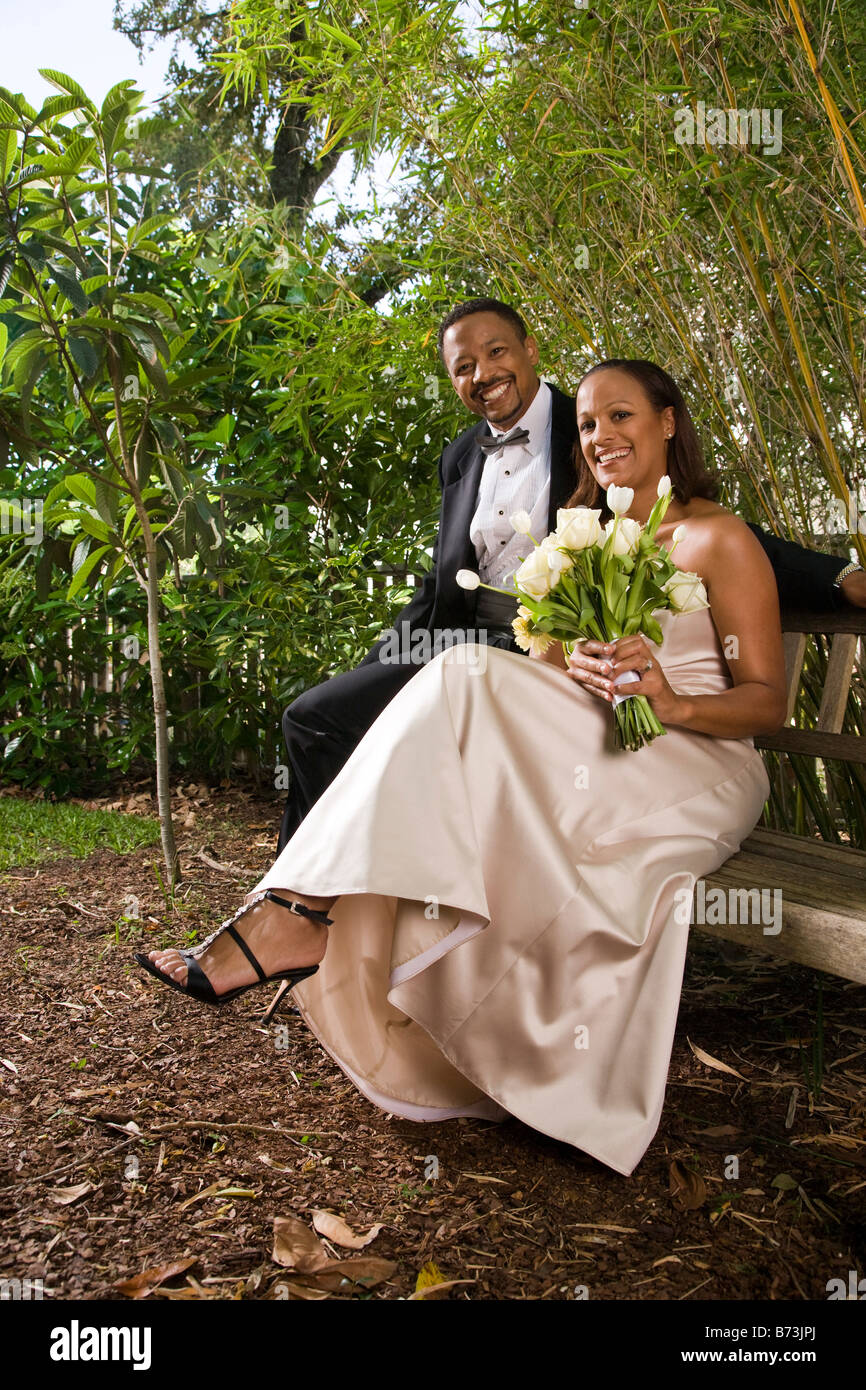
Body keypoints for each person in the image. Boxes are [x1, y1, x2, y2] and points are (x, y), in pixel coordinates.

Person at [136, 358, 788, 1177]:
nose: (601, 437)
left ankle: (295, 912)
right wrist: (577, 660)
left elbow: (767, 704)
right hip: (607, 741)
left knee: (463, 677)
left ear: (667, 420)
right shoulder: (586, 538)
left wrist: (672, 698)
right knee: (465, 706)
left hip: (700, 756)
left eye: (620, 416)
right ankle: (315, 924)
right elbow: (544, 665)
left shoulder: (718, 537)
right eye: (586, 425)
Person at [275, 298, 865, 854]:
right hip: (461, 645)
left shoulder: (592, 432)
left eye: (496, 352)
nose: (482, 373)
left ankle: (355, 909)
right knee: (315, 718)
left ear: (530, 350)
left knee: (446, 759)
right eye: (463, 367)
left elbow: (698, 526)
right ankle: (295, 900)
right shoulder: (459, 455)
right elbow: (442, 578)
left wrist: (836, 576)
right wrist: (385, 657)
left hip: (549, 655)